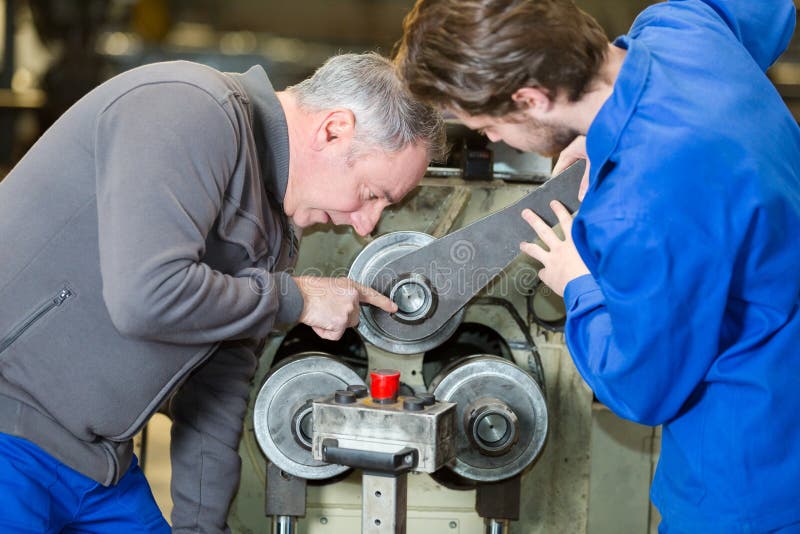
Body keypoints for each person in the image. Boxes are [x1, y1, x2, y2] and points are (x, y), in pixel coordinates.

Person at [396, 0, 800, 532]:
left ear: (532, 99)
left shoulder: (637, 207)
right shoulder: (680, 26)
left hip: (751, 478)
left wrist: (578, 283)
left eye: (488, 125)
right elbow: (769, 11)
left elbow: (644, 387)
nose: (491, 138)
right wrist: (608, 130)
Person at [0, 52, 445, 532]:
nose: (365, 224)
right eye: (372, 194)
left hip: (96, 465)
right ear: (334, 130)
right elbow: (146, 297)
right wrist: (296, 299)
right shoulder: (188, 108)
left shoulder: (275, 233)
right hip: (12, 435)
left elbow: (217, 388)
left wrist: (202, 527)